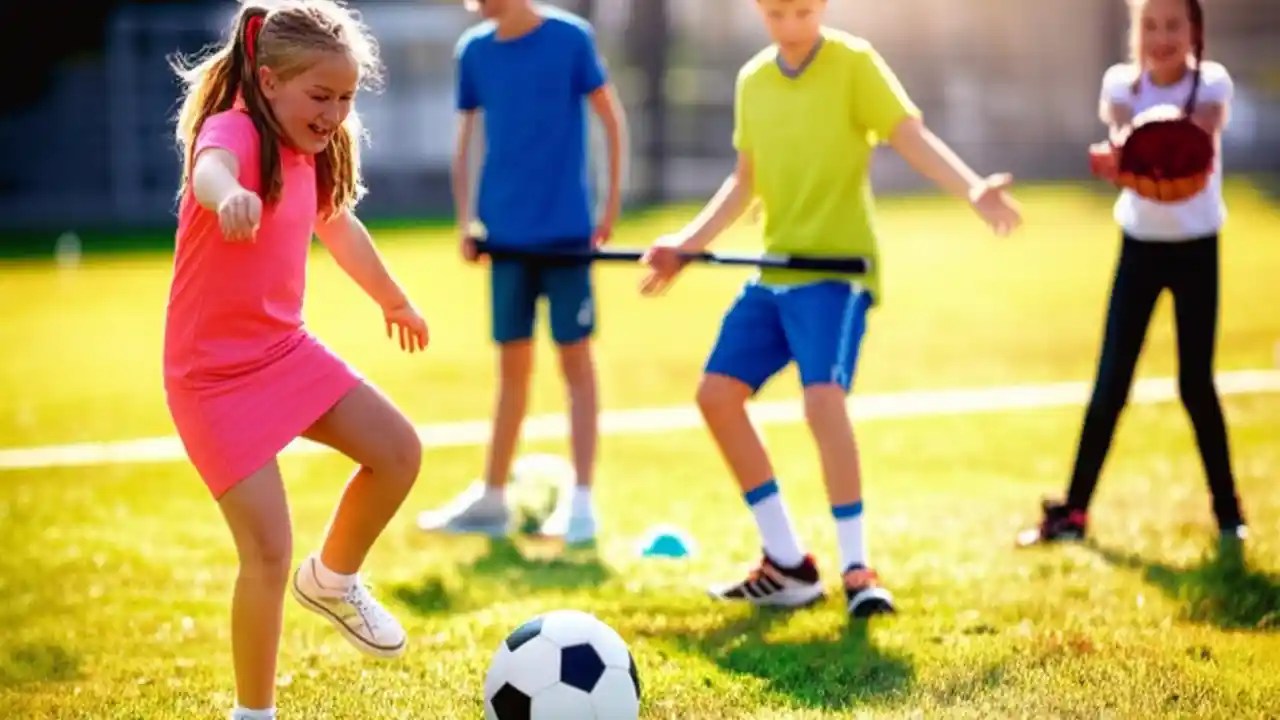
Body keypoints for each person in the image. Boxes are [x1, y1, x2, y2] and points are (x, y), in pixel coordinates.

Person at [640, 0, 1021, 618]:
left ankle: (857, 567)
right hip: (775, 272)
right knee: (716, 396)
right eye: (776, 13)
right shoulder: (753, 80)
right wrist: (686, 246)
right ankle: (787, 562)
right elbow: (745, 181)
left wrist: (974, 189)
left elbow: (909, 136)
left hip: (837, 276)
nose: (790, 25)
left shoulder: (854, 63)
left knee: (822, 400)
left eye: (802, 11)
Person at [166, 3, 429, 717]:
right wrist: (231, 197)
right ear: (271, 79)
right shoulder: (236, 130)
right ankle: (254, 713)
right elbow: (208, 170)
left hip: (283, 352)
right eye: (322, 96)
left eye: (346, 98)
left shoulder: (314, 151)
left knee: (399, 451)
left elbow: (340, 228)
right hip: (211, 377)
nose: (336, 113)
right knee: (267, 552)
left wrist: (394, 299)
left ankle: (334, 580)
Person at [1018, 0, 1247, 547]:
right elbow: (1126, 140)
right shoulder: (1121, 85)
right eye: (1150, 25)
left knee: (1196, 383)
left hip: (1197, 250)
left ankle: (1229, 514)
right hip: (1140, 249)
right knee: (1111, 382)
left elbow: (1198, 139)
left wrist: (1161, 150)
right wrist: (1121, 157)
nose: (1161, 36)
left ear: (1195, 31)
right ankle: (1073, 513)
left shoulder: (1211, 84)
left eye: (1173, 25)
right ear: (1134, 32)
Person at [416, 0, 628, 546]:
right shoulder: (475, 52)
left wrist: (608, 205)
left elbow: (610, 117)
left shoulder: (571, 39)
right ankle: (492, 497)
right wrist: (466, 218)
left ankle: (582, 502)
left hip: (565, 236)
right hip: (505, 238)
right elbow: (466, 140)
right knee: (512, 370)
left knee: (576, 364)